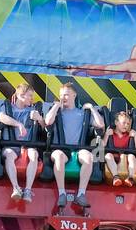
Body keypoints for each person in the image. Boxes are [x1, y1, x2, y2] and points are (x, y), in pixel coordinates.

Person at [43, 83, 104, 213]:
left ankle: (81, 194)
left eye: (66, 94)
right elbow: (48, 121)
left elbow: (100, 124)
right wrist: (56, 106)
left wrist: (92, 108)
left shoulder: (82, 113)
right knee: (58, 156)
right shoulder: (56, 111)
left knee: (88, 156)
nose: (63, 97)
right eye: (60, 95)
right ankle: (62, 194)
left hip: (78, 149)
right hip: (60, 149)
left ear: (74, 95)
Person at [0, 83, 45, 202]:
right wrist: (18, 124)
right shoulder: (8, 107)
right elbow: (1, 117)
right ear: (20, 95)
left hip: (29, 146)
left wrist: (40, 119)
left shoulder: (33, 110)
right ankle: (16, 188)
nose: (32, 99)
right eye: (30, 96)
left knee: (34, 154)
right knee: (9, 155)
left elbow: (44, 128)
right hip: (12, 145)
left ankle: (28, 189)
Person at [103, 109, 136, 187]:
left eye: (128, 124)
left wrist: (135, 136)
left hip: (125, 159)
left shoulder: (129, 135)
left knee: (132, 156)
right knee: (108, 155)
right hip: (114, 158)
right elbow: (102, 145)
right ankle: (116, 177)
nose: (126, 125)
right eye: (124, 123)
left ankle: (130, 177)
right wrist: (106, 135)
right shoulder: (111, 133)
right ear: (116, 122)